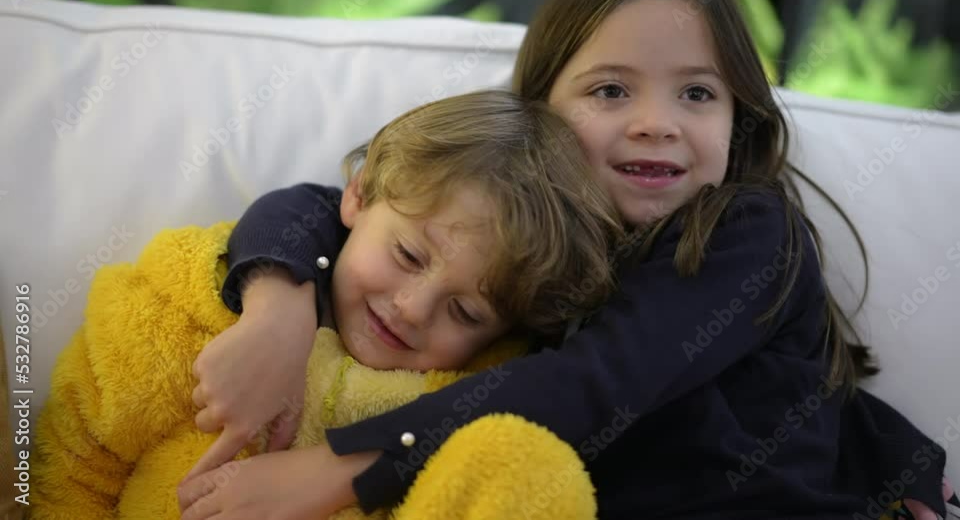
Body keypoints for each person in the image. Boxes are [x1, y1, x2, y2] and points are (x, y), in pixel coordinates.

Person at [179, 0, 960, 519]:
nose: (656, 121)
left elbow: (600, 380)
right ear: (541, 110)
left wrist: (339, 467)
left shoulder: (748, 232)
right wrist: (277, 309)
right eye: (612, 89)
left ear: (738, 121)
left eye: (697, 93)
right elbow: (335, 208)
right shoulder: (530, 238)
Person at [31, 90, 621, 520]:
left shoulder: (476, 405)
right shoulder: (192, 312)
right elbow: (78, 462)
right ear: (359, 195)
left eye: (466, 313)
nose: (412, 308)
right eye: (408, 255)